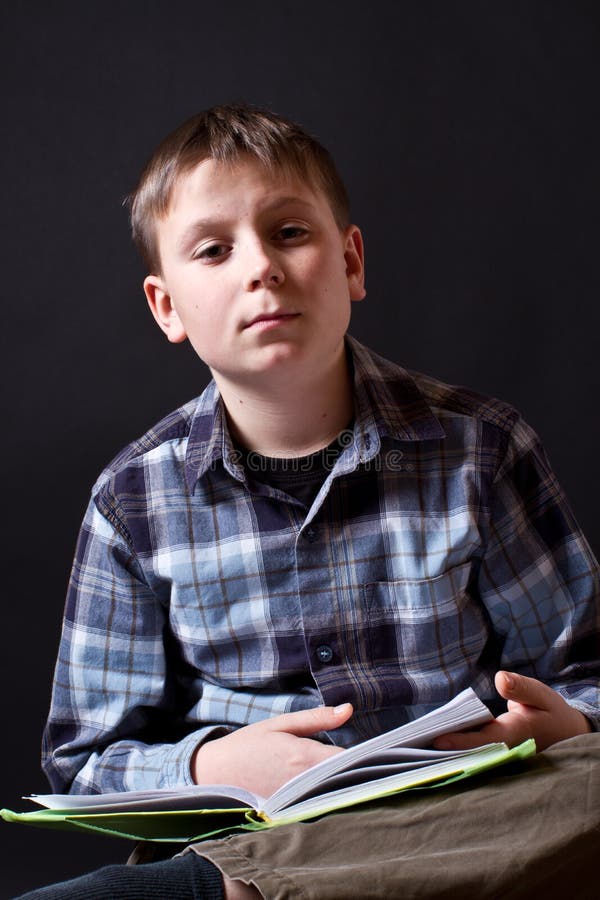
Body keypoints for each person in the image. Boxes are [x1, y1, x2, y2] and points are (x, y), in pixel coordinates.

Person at [16, 104, 600, 899]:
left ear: (352, 262)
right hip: (256, 838)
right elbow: (86, 763)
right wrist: (210, 763)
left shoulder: (481, 448)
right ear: (167, 307)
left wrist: (562, 722)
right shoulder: (133, 502)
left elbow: (587, 671)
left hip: (464, 816)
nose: (260, 266)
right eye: (215, 250)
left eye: (290, 232)